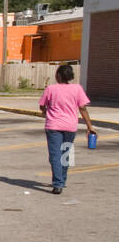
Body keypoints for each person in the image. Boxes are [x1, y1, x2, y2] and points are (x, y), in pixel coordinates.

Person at [39, 63, 97, 194]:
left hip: (53, 126)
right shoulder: (77, 89)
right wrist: (89, 126)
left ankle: (58, 183)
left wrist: (45, 111)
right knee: (65, 153)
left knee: (55, 155)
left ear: (58, 75)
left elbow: (42, 105)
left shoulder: (51, 89)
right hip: (70, 127)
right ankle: (62, 180)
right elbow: (82, 108)